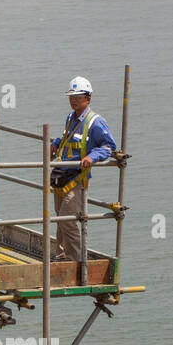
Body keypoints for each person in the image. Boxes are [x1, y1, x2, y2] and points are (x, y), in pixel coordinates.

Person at [48, 76, 117, 269]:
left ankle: (75, 261)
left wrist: (92, 157)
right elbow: (66, 138)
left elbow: (109, 146)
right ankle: (61, 256)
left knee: (67, 219)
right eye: (71, 97)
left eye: (77, 97)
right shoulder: (71, 118)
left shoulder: (95, 122)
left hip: (77, 179)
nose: (73, 100)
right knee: (60, 219)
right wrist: (55, 145)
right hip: (62, 176)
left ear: (88, 98)